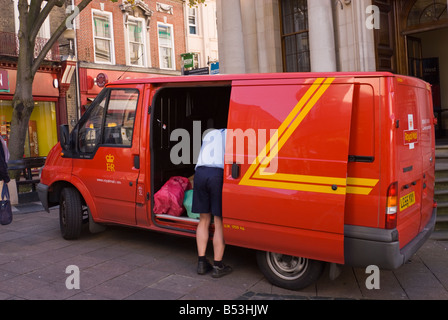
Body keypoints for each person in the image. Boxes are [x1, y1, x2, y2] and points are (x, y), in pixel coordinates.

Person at [193, 128, 232, 278]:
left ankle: (202, 262)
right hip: (217, 174)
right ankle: (218, 265)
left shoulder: (210, 133)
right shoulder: (232, 133)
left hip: (200, 172)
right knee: (218, 220)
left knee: (204, 219)